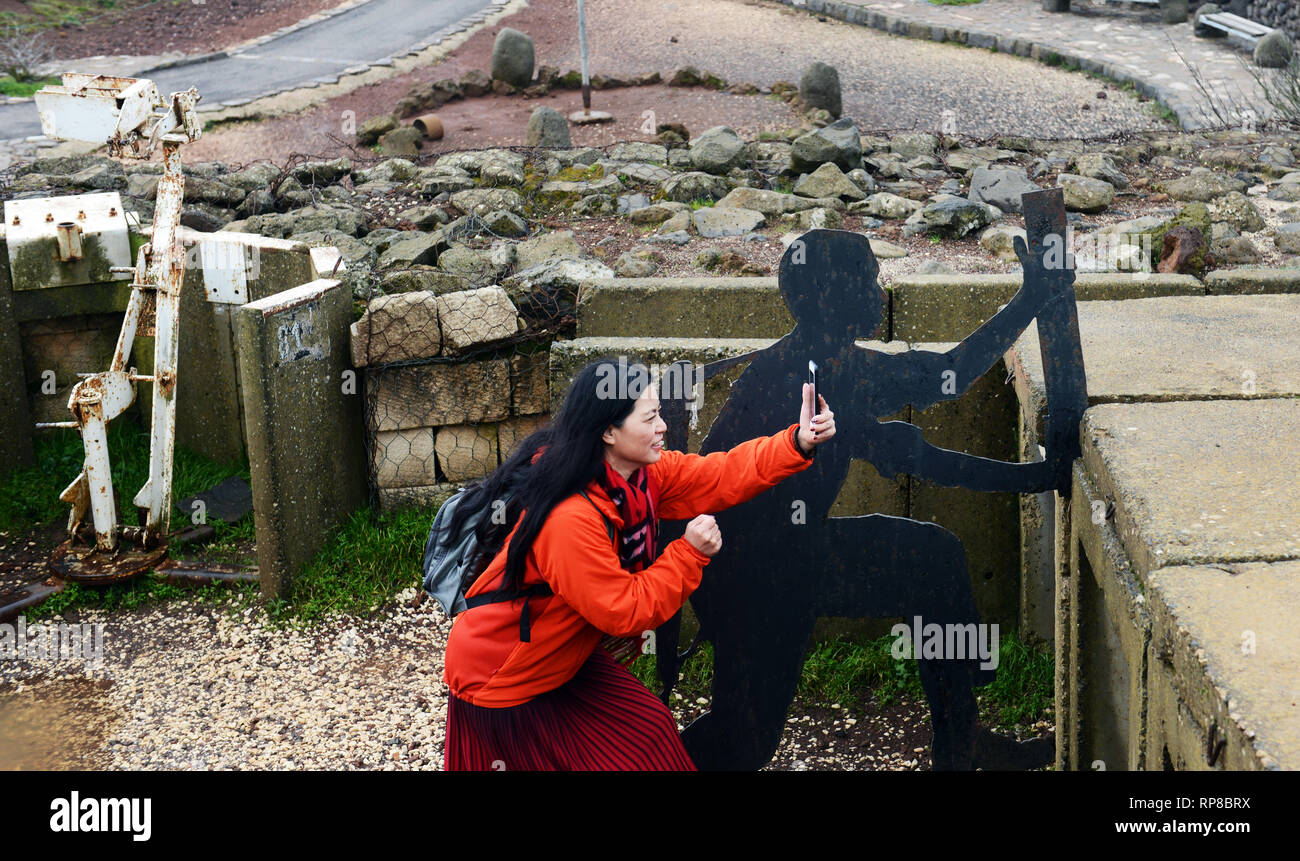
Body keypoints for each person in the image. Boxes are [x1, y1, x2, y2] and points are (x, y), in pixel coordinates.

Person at [440, 355, 835, 771]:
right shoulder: (569, 519)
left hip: (560, 656)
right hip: (505, 680)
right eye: (649, 418)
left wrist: (797, 442)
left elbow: (717, 475)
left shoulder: (637, 476)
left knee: (649, 735)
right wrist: (689, 553)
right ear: (609, 431)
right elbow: (625, 610)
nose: (662, 427)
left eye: (659, 413)